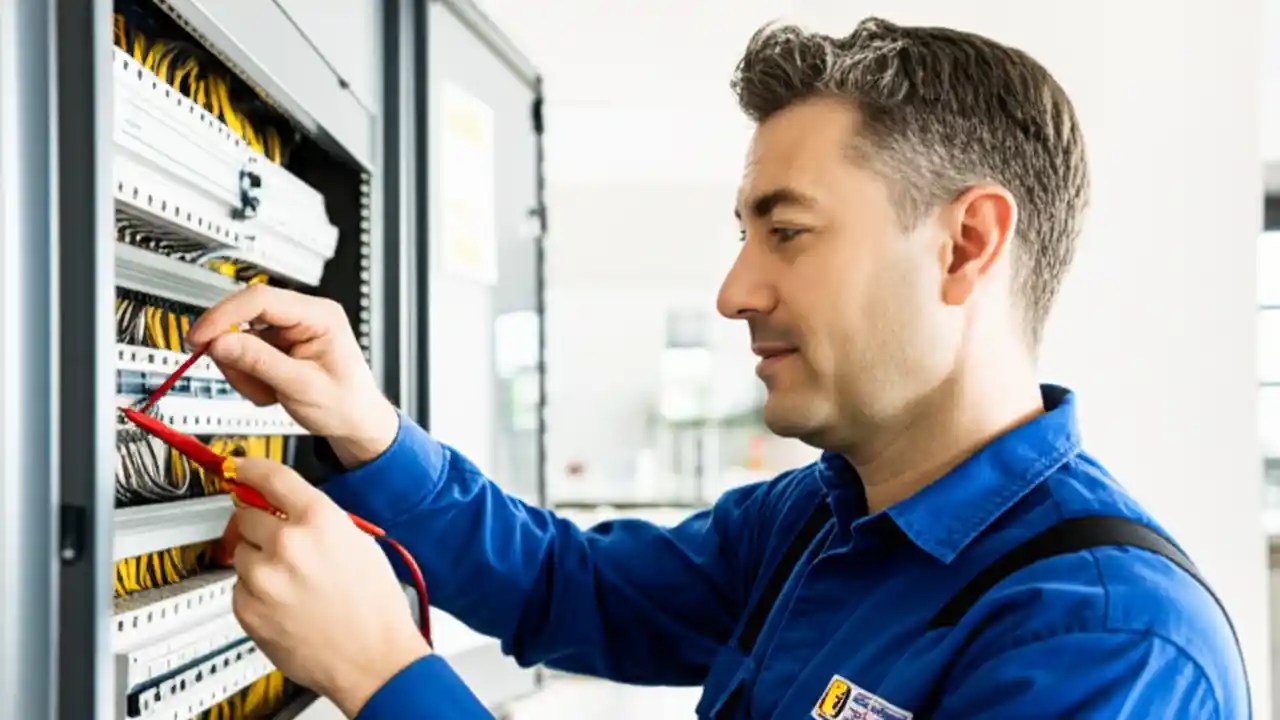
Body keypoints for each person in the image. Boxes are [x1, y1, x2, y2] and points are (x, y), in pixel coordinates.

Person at [188, 17, 1249, 720]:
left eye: (785, 234)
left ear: (964, 245)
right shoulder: (810, 526)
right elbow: (568, 586)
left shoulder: (1107, 644)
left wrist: (388, 678)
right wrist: (368, 430)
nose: (733, 292)